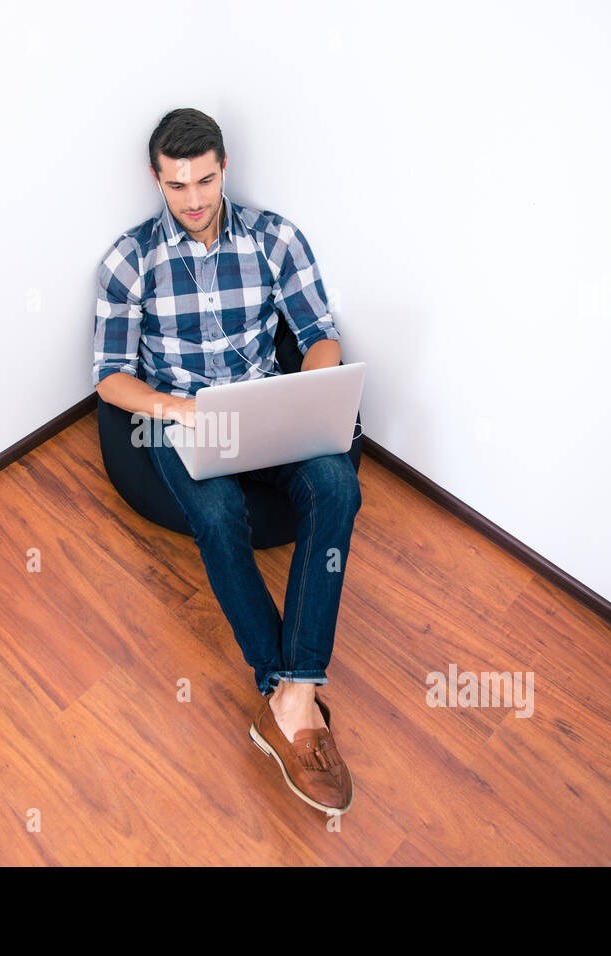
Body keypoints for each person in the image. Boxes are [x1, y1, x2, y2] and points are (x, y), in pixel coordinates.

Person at [91, 108, 361, 814]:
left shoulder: (276, 238)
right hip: (186, 417)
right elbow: (111, 376)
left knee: (337, 484)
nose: (194, 200)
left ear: (224, 167)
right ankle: (289, 694)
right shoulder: (130, 260)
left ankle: (289, 694)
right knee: (218, 513)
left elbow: (317, 332)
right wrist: (177, 412)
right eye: (177, 185)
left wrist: (309, 389)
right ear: (156, 179)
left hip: (268, 405)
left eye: (205, 180)